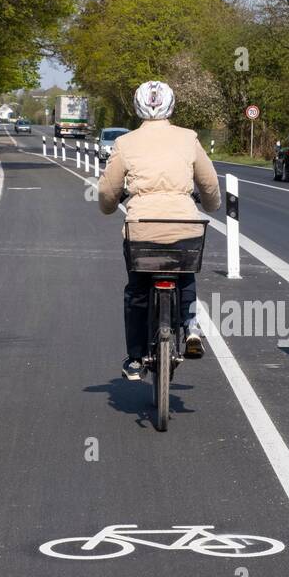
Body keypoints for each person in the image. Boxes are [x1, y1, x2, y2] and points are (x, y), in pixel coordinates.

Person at [98, 81, 221, 380]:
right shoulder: (188, 138)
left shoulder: (126, 143)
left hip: (143, 231)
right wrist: (210, 204)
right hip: (184, 228)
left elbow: (108, 191)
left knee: (137, 291)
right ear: (172, 105)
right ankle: (191, 324)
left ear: (138, 106)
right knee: (185, 275)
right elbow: (209, 184)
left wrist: (110, 205)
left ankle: (136, 358)